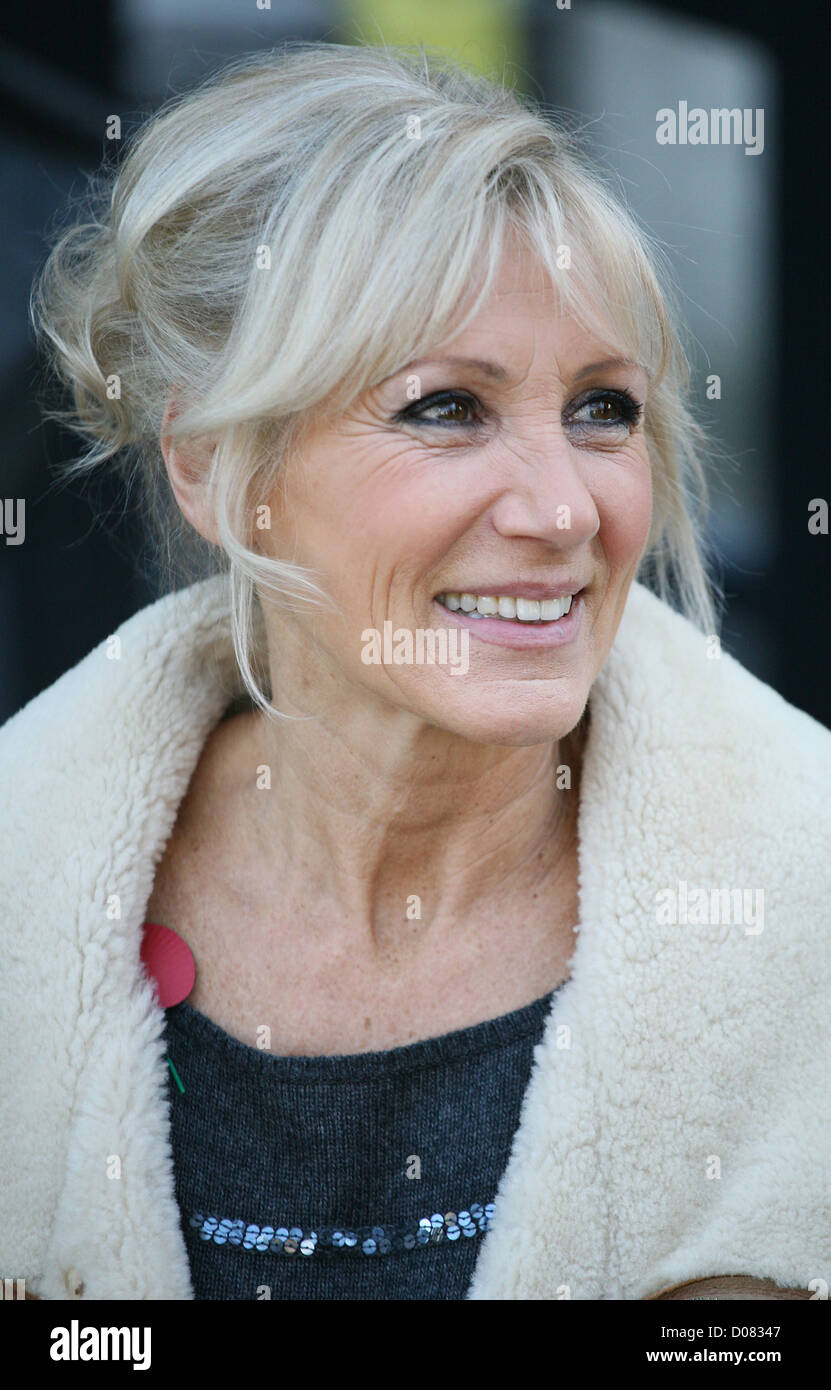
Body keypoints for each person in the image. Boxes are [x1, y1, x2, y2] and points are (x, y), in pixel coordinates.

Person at [2, 41, 828, 1302]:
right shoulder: (24, 868)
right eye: (447, 408)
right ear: (216, 468)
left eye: (604, 408)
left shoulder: (803, 903)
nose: (564, 510)